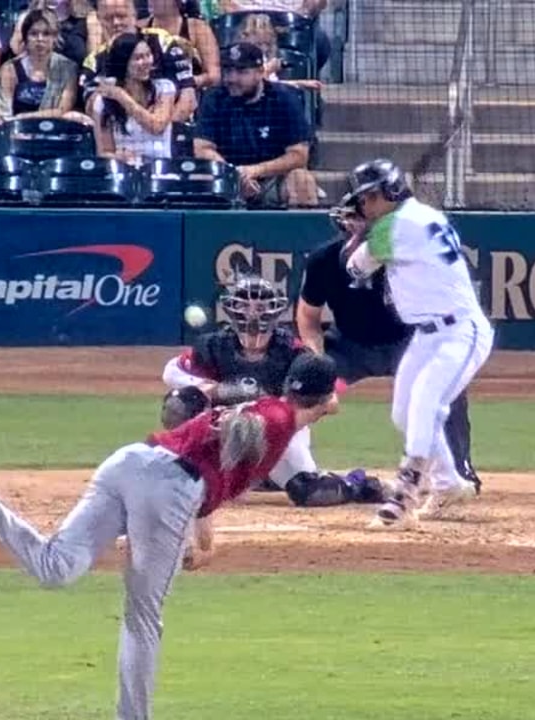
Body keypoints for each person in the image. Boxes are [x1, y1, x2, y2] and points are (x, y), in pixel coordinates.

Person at [0, 352, 345, 720]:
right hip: (168, 490)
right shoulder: (279, 420)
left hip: (130, 463)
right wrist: (231, 429)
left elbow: (207, 447)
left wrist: (198, 530)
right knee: (144, 615)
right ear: (328, 400)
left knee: (57, 568)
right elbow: (237, 430)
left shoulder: (271, 408)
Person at [295, 194, 482, 507]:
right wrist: (318, 363)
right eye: (352, 218)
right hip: (349, 346)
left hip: (407, 343)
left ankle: (458, 471)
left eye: (365, 217)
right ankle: (284, 469)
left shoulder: (413, 258)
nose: (358, 225)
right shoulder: (324, 259)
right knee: (300, 382)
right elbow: (308, 317)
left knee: (446, 391)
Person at [339, 158, 495, 529]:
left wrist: (358, 234)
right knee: (404, 413)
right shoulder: (421, 214)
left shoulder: (396, 225)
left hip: (460, 330)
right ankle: (449, 484)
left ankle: (405, 495)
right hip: (427, 334)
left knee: (427, 401)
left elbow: (355, 267)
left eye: (372, 198)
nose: (366, 207)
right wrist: (366, 231)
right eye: (362, 201)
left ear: (392, 191)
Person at [163, 273, 388, 507]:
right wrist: (218, 390)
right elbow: (171, 372)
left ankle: (356, 483)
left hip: (276, 435)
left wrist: (280, 412)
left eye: (260, 306)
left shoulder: (293, 352)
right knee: (180, 403)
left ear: (273, 310)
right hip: (229, 431)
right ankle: (200, 464)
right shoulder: (213, 345)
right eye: (244, 305)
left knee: (311, 492)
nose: (253, 313)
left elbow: (330, 401)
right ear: (232, 309)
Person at [193, 41, 320, 208]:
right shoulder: (215, 97)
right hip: (225, 175)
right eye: (229, 71)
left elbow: (299, 155)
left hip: (271, 177)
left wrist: (253, 171)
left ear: (260, 72)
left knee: (301, 180)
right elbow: (202, 148)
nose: (232, 78)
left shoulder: (283, 98)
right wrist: (235, 175)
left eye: (241, 71)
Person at [89, 33, 177, 164]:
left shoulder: (164, 88)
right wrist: (119, 157)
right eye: (138, 58)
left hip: (161, 170)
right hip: (124, 169)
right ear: (124, 62)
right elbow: (104, 152)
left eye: (148, 55)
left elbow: (156, 126)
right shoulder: (104, 101)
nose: (147, 62)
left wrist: (123, 97)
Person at [0, 11, 86, 124]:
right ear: (25, 37)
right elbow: (3, 114)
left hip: (54, 130)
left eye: (46, 34)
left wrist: (24, 117)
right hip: (18, 133)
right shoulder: (10, 69)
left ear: (55, 37)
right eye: (34, 34)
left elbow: (62, 110)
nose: (40, 39)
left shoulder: (68, 69)